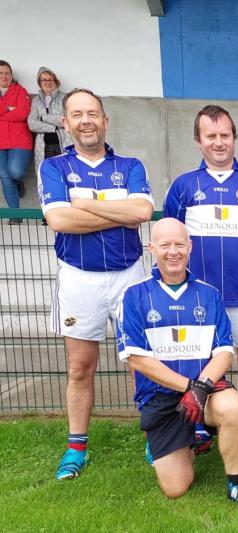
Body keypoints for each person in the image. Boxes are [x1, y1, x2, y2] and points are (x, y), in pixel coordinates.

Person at [38, 88, 154, 480]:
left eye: (93, 113)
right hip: (79, 277)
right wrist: (118, 214)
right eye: (77, 114)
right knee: (79, 366)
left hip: (128, 274)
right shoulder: (54, 168)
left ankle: (155, 438)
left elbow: (142, 211)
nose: (86, 120)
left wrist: (83, 204)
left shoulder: (130, 164)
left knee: (141, 363)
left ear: (105, 120)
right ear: (66, 123)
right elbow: (60, 221)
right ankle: (76, 448)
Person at [116, 218, 238, 511]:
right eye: (165, 245)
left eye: (179, 244)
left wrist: (202, 387)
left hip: (206, 391)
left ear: (190, 247)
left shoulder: (209, 294)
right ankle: (190, 441)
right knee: (176, 488)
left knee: (234, 408)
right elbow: (137, 358)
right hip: (163, 397)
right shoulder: (133, 296)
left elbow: (223, 352)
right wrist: (188, 387)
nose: (173, 252)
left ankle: (237, 484)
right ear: (151, 249)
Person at [163, 105, 238, 443]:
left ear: (234, 138)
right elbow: (169, 238)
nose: (219, 143)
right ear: (198, 141)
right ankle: (198, 428)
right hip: (197, 298)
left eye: (225, 135)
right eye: (211, 136)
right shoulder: (183, 186)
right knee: (199, 370)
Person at [0, 60, 33, 222]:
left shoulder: (20, 91)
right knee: (5, 177)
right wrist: (7, 108)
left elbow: (22, 114)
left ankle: (19, 181)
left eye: (7, 73)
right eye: (0, 73)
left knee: (14, 172)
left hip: (20, 141)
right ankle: (15, 216)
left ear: (11, 75)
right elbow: (15, 112)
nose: (4, 76)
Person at [28, 67, 72, 173]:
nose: (47, 82)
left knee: (65, 173)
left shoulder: (64, 97)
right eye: (44, 80)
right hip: (43, 146)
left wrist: (43, 117)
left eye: (50, 79)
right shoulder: (36, 100)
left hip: (63, 142)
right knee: (47, 175)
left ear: (55, 81)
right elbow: (32, 123)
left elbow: (66, 119)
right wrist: (54, 127)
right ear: (39, 83)